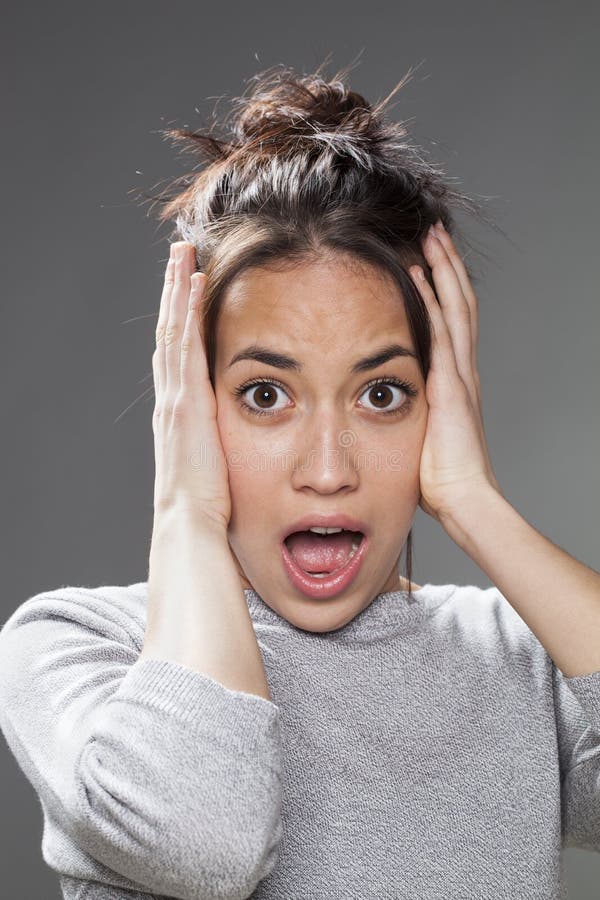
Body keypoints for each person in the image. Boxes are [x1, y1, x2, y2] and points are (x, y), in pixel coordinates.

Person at [0, 61, 599, 900]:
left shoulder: (523, 656)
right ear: (191, 402)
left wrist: (474, 500)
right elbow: (204, 844)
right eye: (265, 395)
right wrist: (185, 509)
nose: (327, 470)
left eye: (382, 394)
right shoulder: (79, 646)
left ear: (441, 403)